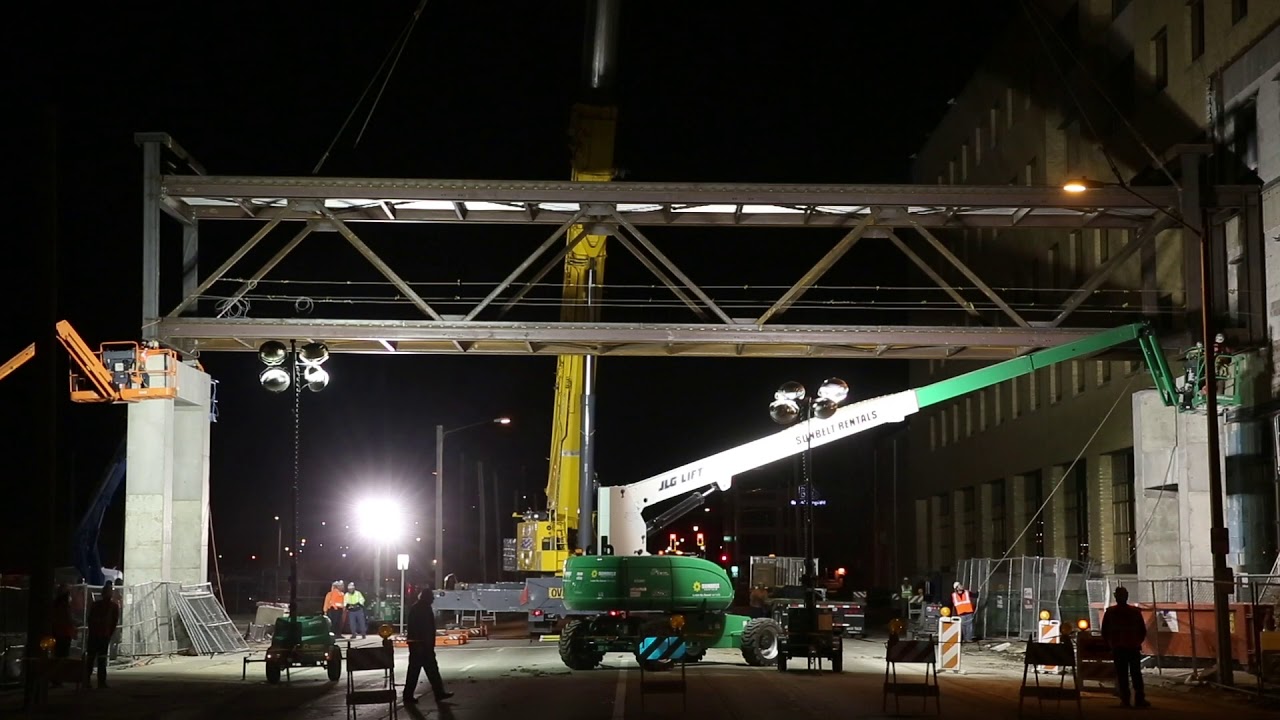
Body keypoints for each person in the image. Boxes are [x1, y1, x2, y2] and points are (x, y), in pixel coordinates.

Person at [1101, 586, 1150, 709]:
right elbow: (1142, 630)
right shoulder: (1135, 612)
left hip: (1118, 648)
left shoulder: (1111, 612)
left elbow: (1105, 631)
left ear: (1115, 597)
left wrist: (1110, 644)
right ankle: (1139, 699)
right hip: (1133, 647)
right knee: (1136, 674)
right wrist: (1137, 641)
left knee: (1122, 674)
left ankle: (1125, 700)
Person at [403, 588, 453, 705]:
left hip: (419, 645)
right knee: (423, 671)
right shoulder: (423, 609)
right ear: (427, 598)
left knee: (424, 671)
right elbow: (425, 629)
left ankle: (437, 693)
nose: (433, 599)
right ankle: (411, 696)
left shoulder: (418, 607)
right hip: (421, 645)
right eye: (431, 597)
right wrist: (427, 644)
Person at [85, 583, 120, 688]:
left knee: (92, 659)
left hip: (96, 635)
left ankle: (87, 681)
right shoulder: (113, 606)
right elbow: (114, 621)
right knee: (101, 659)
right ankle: (100, 682)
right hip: (103, 635)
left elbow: (90, 619)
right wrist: (109, 633)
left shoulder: (96, 605)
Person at [50, 587, 76, 687]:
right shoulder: (65, 607)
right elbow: (68, 619)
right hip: (64, 634)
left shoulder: (55, 605)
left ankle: (55, 678)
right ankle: (58, 679)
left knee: (56, 656)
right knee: (63, 657)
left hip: (56, 633)